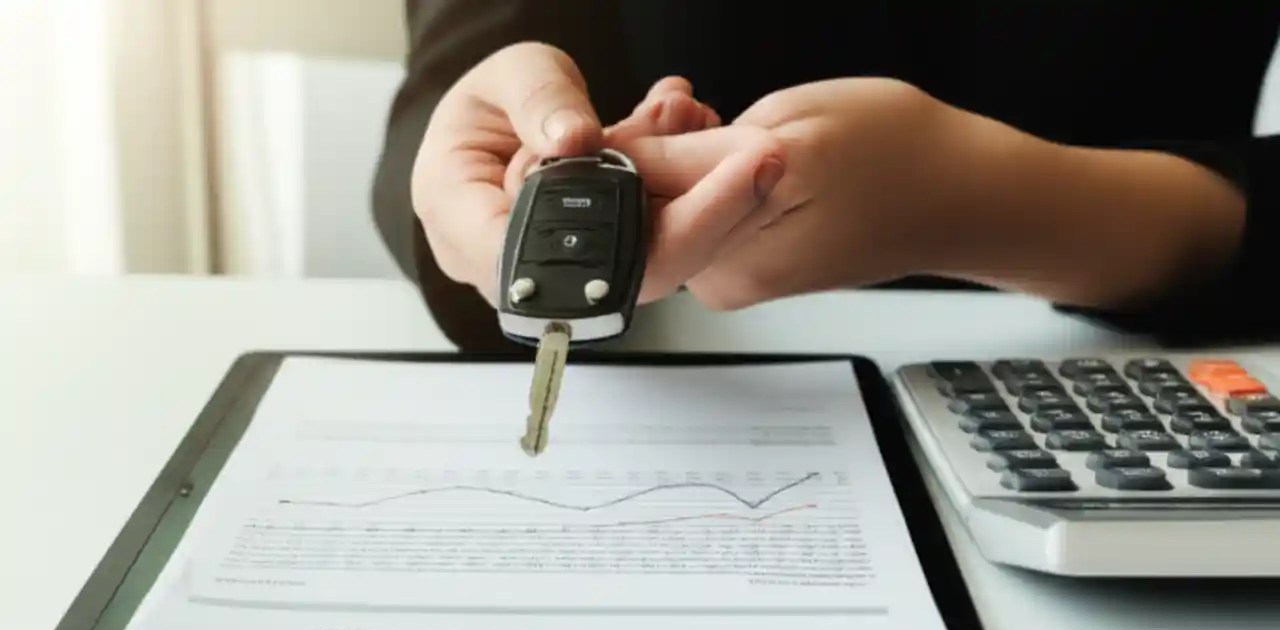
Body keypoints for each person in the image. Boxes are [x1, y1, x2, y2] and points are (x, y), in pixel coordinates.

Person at [370, 1, 1280, 352]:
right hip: (675, 373)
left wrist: (1011, 209)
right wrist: (482, 169)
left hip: (1151, 389)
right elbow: (469, 71)